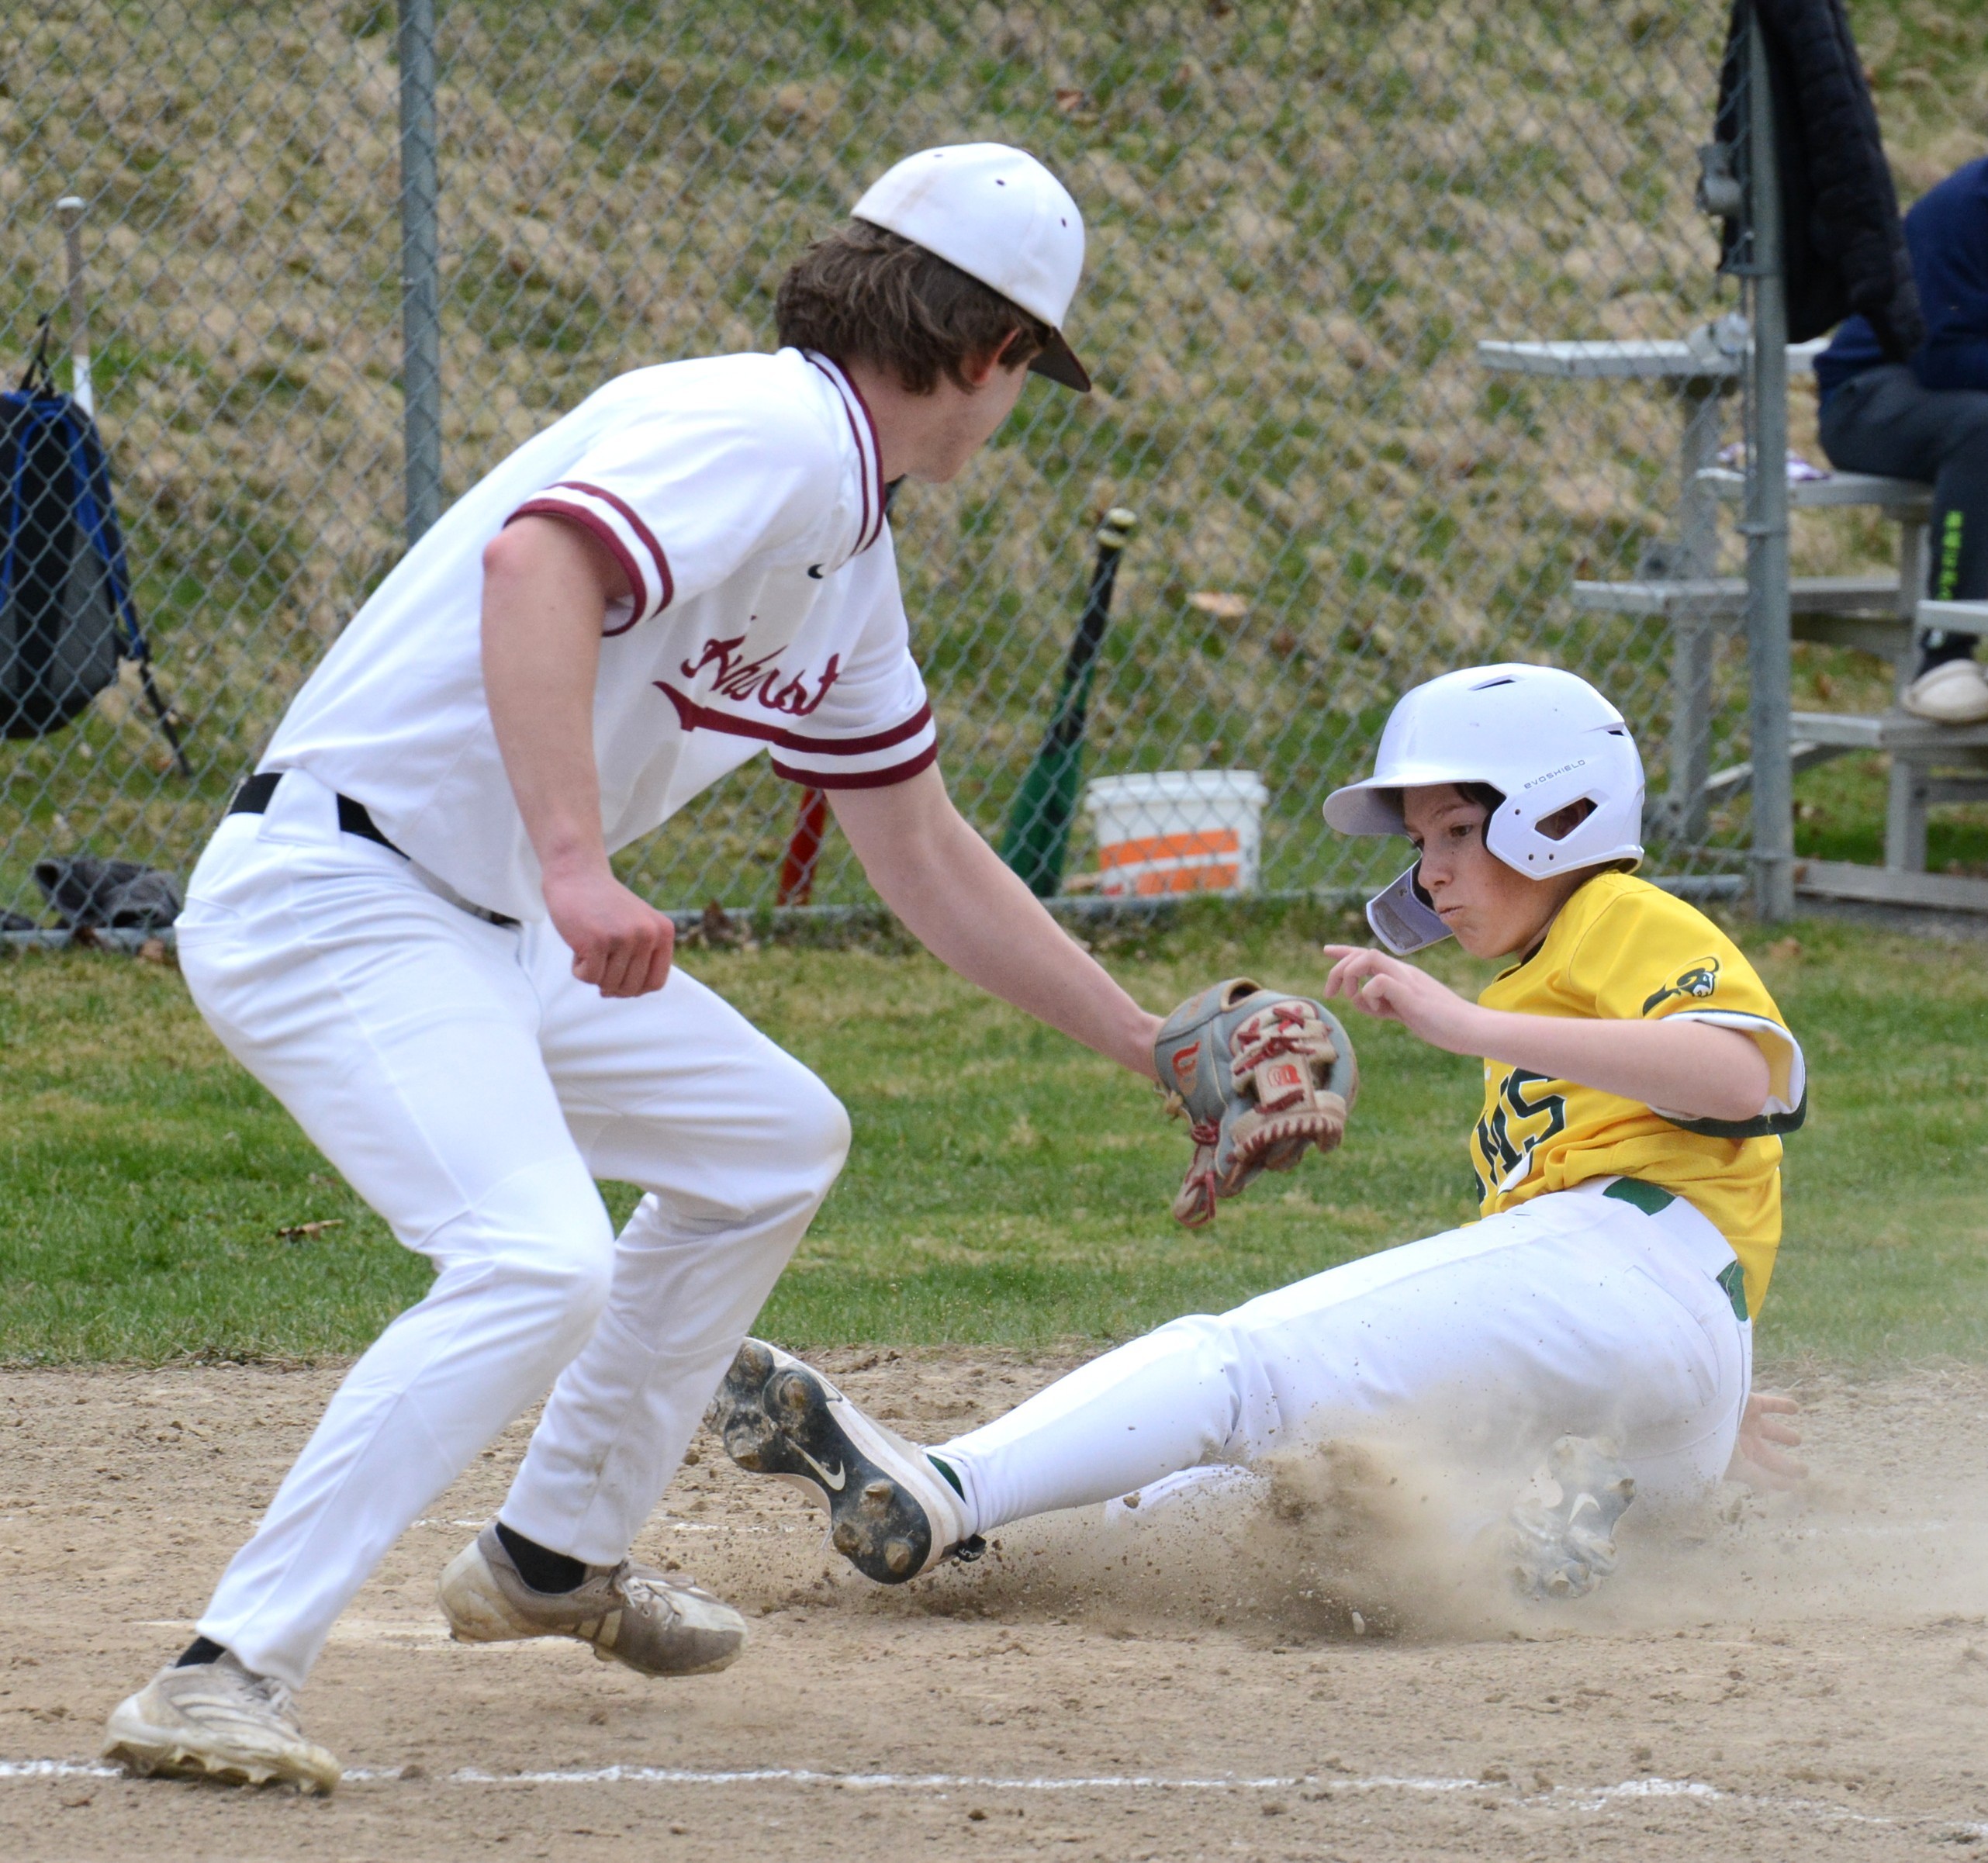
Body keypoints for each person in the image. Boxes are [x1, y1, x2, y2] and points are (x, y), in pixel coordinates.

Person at [101, 143, 1167, 1794]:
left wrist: (1155, 1047)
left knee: (766, 1140)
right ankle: (224, 1666)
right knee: (534, 1261)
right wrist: (581, 857)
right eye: (1029, 371)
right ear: (986, 351)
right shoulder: (769, 426)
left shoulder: (847, 548)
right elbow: (541, 562)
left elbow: (927, 853)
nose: (1010, 410)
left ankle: (548, 1556)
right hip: (342, 891)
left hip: (480, 925)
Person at [711, 665, 1810, 1604]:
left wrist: (1455, 1018)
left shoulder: (1617, 915)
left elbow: (1735, 1076)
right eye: (1423, 840)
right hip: (1655, 1371)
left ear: (1558, 813)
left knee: (1242, 1370)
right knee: (1297, 1478)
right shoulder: (1540, 982)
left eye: (1459, 831)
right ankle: (1009, 1549)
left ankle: (945, 1486)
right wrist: (1691, 1369)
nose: (1428, 869)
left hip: (1636, 1275)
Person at [1816, 155, 1988, 723]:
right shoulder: (1965, 208)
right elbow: (1941, 358)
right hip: (1867, 398)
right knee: (1980, 426)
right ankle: (1945, 651)